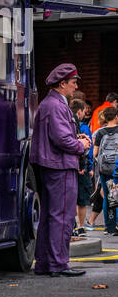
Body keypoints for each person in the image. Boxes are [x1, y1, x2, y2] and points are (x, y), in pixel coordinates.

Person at [30, 63, 90, 276]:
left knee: (50, 215)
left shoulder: (49, 104)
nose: (75, 87)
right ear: (62, 83)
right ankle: (58, 263)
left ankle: (46, 263)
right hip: (60, 166)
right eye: (73, 83)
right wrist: (80, 145)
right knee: (62, 217)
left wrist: (74, 139)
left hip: (51, 165)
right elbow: (62, 138)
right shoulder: (57, 105)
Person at [93, 105, 118, 236]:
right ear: (116, 117)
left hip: (105, 170)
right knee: (117, 196)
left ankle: (109, 227)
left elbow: (95, 153)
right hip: (117, 170)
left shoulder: (100, 132)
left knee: (108, 197)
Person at [71, 99, 94, 234]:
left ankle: (72, 224)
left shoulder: (67, 123)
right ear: (80, 111)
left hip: (71, 166)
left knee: (72, 197)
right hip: (81, 167)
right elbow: (88, 150)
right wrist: (89, 167)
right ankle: (80, 226)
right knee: (82, 199)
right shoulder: (83, 127)